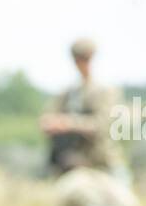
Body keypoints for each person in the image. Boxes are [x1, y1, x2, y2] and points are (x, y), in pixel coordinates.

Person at [41, 39, 122, 177]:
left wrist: (68, 123)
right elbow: (47, 119)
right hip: (70, 163)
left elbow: (101, 125)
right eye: (78, 59)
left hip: (100, 163)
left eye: (85, 58)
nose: (81, 64)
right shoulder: (67, 93)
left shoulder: (105, 92)